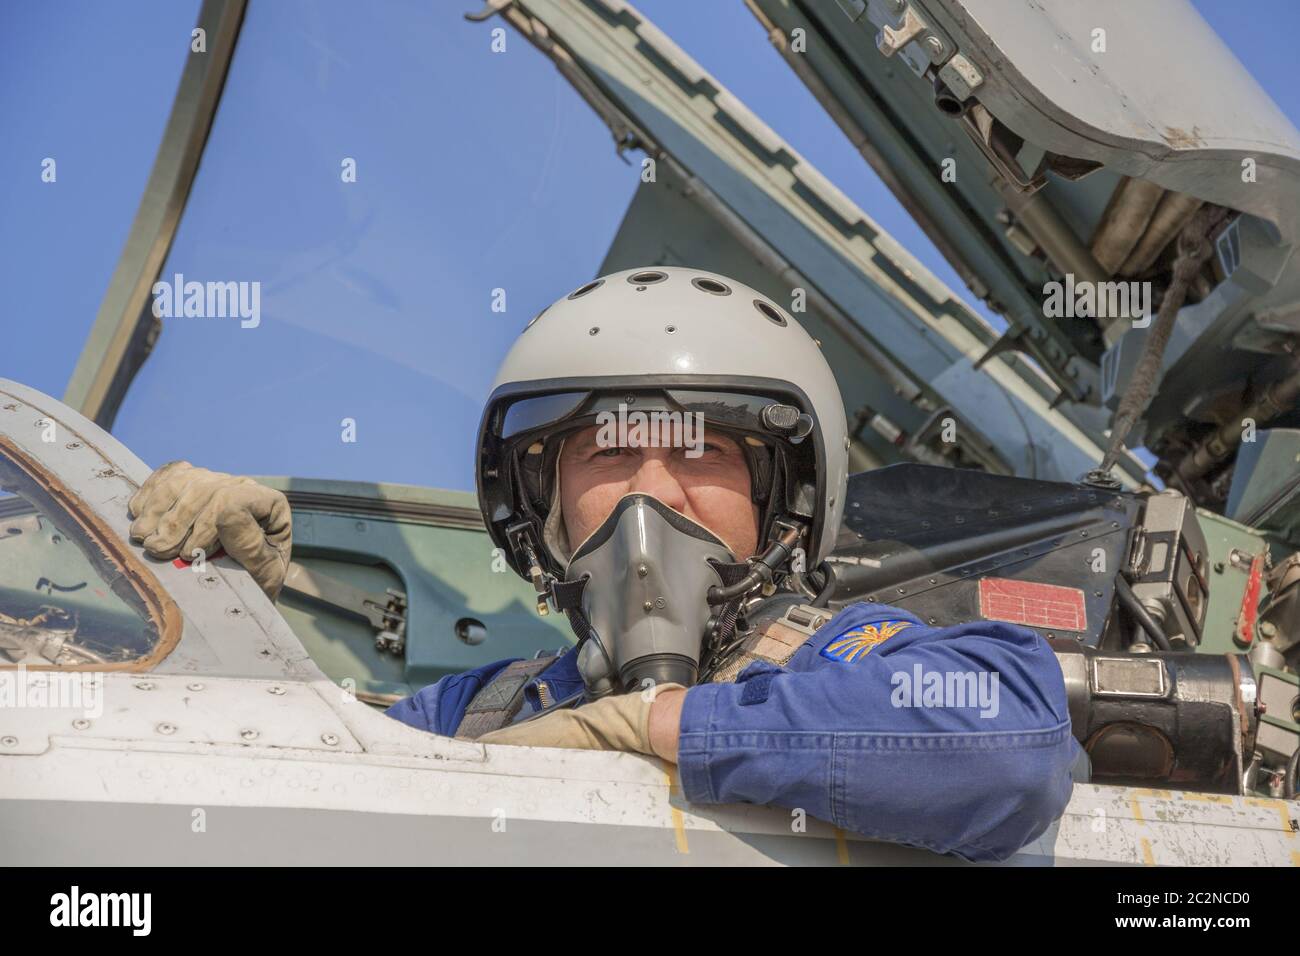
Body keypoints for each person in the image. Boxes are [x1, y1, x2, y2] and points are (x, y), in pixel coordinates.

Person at [127, 266, 1080, 862]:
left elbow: (1008, 750)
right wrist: (231, 622)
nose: (648, 499)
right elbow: (277, 798)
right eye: (606, 453)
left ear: (785, 504)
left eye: (701, 451)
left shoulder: (845, 655)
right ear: (536, 505)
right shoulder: (483, 711)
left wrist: (655, 724)